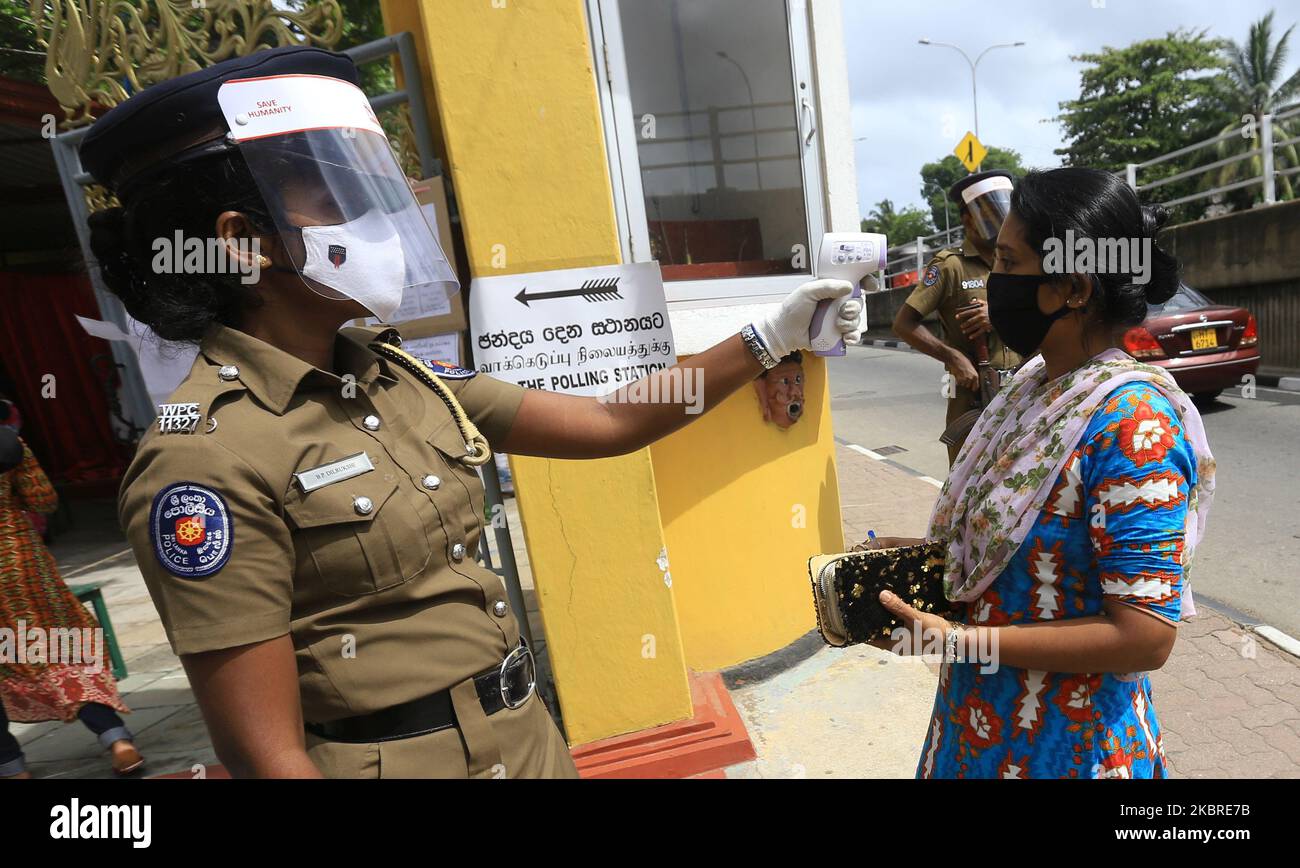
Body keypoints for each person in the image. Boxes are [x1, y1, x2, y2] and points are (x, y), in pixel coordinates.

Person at [79, 46, 864, 779]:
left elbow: (610, 421)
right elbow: (267, 756)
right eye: (338, 200)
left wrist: (772, 335)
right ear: (245, 242)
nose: (381, 223)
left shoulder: (398, 375)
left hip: (525, 736)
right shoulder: (202, 460)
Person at [870, 167, 1215, 779]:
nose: (990, 281)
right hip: (976, 731)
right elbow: (1009, 543)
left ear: (1071, 288)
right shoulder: (1032, 387)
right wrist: (925, 559)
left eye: (1006, 260)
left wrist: (956, 641)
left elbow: (1144, 637)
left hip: (1069, 752)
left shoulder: (1134, 425)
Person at [0, 427, 144, 779]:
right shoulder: (7, 442)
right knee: (61, 649)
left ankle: (11, 768)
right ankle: (116, 740)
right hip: (21, 565)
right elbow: (44, 500)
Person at [893, 170, 1023, 465]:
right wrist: (952, 357)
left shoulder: (1019, 262)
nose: (1002, 221)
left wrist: (999, 316)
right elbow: (904, 324)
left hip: (1022, 387)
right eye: (992, 212)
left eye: (1005, 209)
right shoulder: (951, 266)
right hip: (973, 394)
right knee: (970, 479)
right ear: (968, 219)